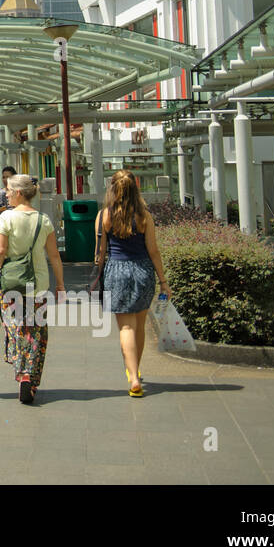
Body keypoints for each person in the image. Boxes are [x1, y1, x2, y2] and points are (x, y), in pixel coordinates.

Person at [0, 174, 65, 404]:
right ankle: (30, 374)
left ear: (19, 193)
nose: (6, 194)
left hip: (12, 284)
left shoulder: (7, 218)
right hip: (38, 284)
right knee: (36, 331)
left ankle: (22, 371)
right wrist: (60, 284)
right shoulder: (44, 220)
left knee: (16, 329)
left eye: (9, 190)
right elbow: (54, 256)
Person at [92, 170, 171, 398]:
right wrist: (163, 281)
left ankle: (133, 376)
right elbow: (153, 250)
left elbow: (100, 252)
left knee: (125, 327)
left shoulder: (104, 216)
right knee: (139, 324)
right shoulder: (144, 216)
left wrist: (97, 276)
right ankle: (135, 368)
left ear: (113, 189)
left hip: (116, 271)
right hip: (143, 270)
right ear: (135, 190)